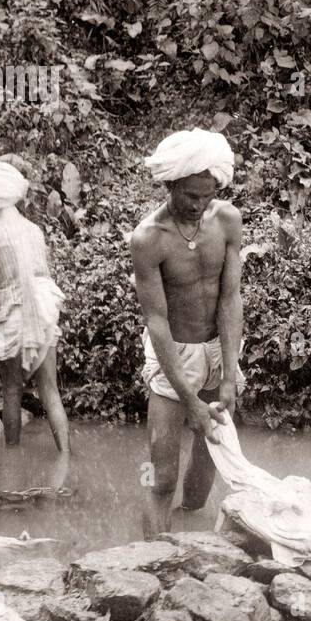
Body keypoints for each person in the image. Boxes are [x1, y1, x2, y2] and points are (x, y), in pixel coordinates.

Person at [130, 128, 244, 536]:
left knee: (210, 458)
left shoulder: (227, 220)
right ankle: (152, 564)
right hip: (173, 353)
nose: (199, 204)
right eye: (190, 196)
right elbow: (156, 321)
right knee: (161, 476)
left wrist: (230, 375)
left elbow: (230, 298)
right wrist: (189, 398)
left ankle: (191, 530)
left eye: (207, 195)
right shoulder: (147, 239)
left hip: (218, 349)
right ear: (170, 185)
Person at [0, 159, 70, 481]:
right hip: (43, 310)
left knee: (11, 390)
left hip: (10, 316)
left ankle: (12, 459)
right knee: (50, 389)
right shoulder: (33, 230)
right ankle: (65, 458)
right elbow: (45, 276)